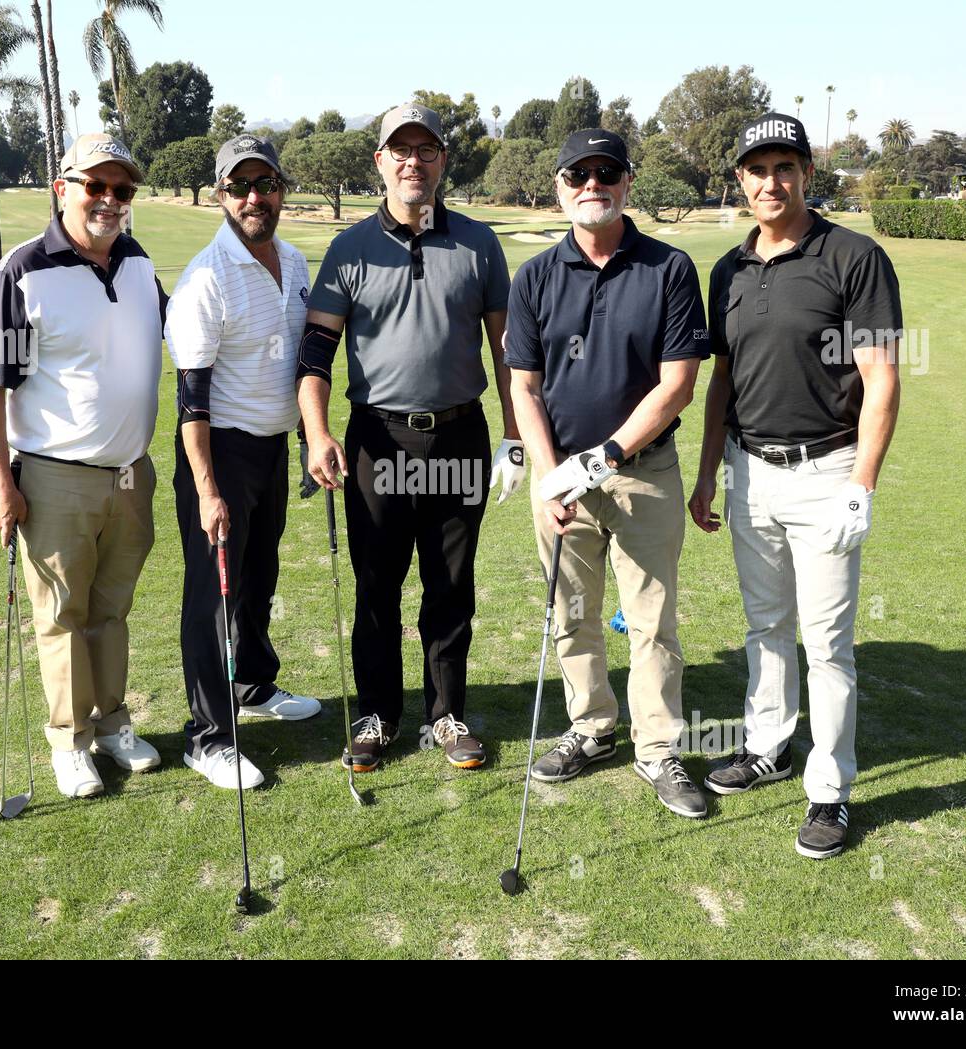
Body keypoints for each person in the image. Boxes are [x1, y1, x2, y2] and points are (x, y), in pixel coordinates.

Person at [689, 112, 902, 859]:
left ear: (807, 175)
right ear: (740, 180)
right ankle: (768, 745)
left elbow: (881, 378)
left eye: (785, 167)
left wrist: (861, 485)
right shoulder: (729, 270)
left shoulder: (853, 256)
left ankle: (830, 792)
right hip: (750, 474)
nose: (770, 181)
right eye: (757, 169)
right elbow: (723, 380)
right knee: (766, 628)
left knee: (827, 645)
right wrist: (710, 470)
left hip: (827, 473)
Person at [296, 103, 524, 773]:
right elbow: (314, 356)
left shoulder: (479, 244)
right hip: (378, 440)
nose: (412, 161)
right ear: (380, 162)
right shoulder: (349, 248)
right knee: (377, 584)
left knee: (451, 582)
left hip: (457, 435)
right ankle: (377, 713)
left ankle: (447, 715)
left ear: (442, 162)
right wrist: (316, 432)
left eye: (425, 149)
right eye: (400, 150)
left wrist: (513, 439)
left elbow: (505, 349)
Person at [505, 128, 712, 819]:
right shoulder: (534, 276)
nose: (592, 182)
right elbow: (523, 387)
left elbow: (677, 384)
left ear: (627, 182)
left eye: (606, 171)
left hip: (642, 472)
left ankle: (658, 750)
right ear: (560, 185)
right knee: (571, 613)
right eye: (578, 173)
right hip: (560, 475)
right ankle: (592, 728)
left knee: (650, 620)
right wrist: (548, 473)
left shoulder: (668, 268)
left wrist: (604, 457)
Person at [0, 134, 165, 799]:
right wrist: (2, 482)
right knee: (62, 614)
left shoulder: (138, 263)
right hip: (57, 478)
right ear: (63, 189)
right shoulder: (22, 271)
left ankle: (112, 722)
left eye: (123, 190)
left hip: (133, 473)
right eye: (97, 187)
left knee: (112, 608)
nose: (110, 201)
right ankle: (70, 742)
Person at [165, 135, 321, 790]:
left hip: (272, 445)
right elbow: (190, 403)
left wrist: (312, 439)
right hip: (219, 450)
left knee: (258, 575)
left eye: (266, 184)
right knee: (213, 595)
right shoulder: (206, 276)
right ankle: (209, 736)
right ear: (222, 196)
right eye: (240, 187)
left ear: (281, 189)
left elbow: (303, 364)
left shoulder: (294, 259)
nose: (255, 197)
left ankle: (254, 684)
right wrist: (207, 489)